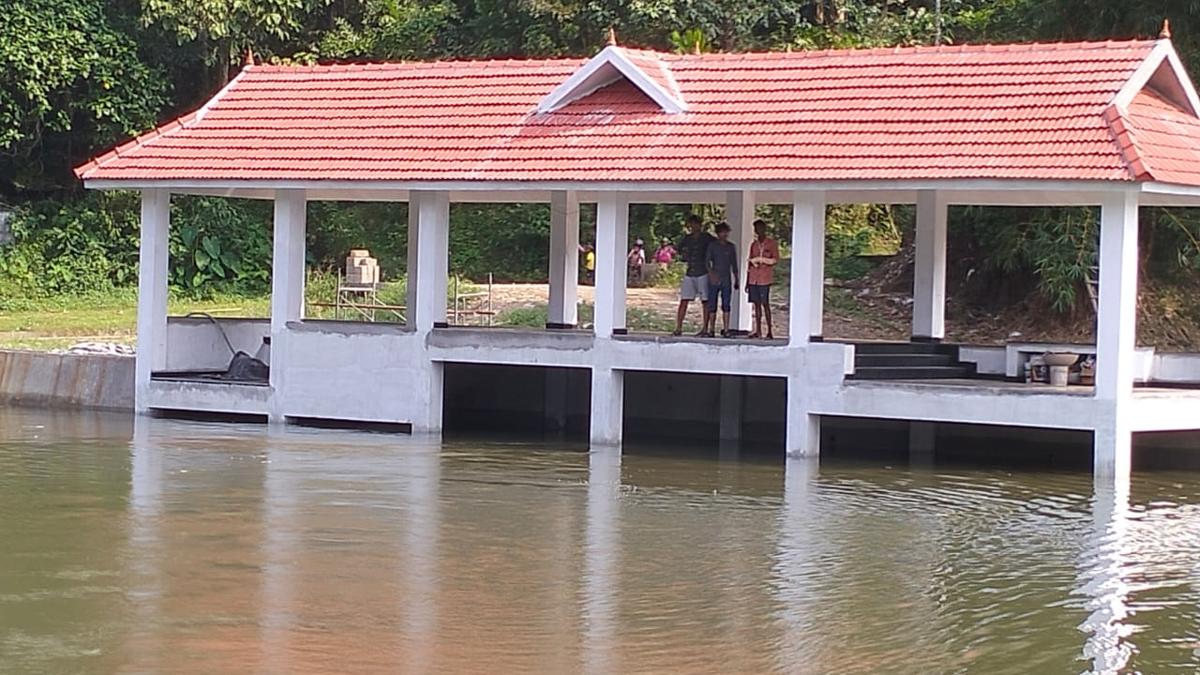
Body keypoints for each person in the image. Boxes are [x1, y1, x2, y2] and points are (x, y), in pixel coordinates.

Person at [673, 214, 715, 336]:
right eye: (692, 224)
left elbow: (715, 247)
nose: (694, 226)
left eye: (696, 224)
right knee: (684, 300)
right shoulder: (687, 238)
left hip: (703, 271)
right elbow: (678, 249)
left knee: (705, 301)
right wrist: (685, 255)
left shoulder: (707, 238)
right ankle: (678, 327)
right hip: (690, 271)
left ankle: (705, 328)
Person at [703, 222, 739, 337]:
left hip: (726, 278)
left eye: (726, 232)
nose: (724, 234)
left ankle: (726, 329)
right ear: (718, 233)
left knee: (726, 304)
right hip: (715, 277)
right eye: (722, 232)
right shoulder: (712, 246)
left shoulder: (731, 247)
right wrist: (711, 274)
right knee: (712, 304)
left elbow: (734, 264)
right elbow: (707, 262)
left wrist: (736, 279)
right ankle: (711, 329)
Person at [746, 219, 780, 339]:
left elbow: (775, 259)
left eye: (760, 228)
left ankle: (770, 330)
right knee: (756, 305)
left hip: (765, 278)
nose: (758, 231)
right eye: (756, 229)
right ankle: (758, 330)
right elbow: (749, 262)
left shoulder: (771, 243)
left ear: (764, 229)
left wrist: (762, 260)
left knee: (765, 303)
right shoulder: (754, 245)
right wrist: (747, 281)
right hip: (753, 278)